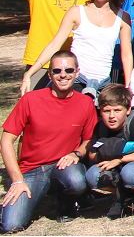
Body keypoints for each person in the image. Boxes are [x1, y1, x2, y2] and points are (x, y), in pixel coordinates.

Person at [0, 52, 94, 232]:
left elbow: (89, 140)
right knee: (11, 225)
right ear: (49, 74)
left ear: (77, 73)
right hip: (32, 169)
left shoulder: (85, 102)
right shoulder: (30, 99)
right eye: (57, 70)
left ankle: (65, 201)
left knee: (77, 181)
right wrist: (17, 179)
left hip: (63, 166)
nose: (63, 74)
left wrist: (76, 153)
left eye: (69, 70)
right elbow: (6, 140)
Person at [22, 0, 134, 95]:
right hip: (75, 81)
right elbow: (54, 46)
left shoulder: (123, 17)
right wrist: (29, 74)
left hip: (103, 84)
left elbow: (126, 55)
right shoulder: (76, 12)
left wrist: (128, 86)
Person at [86, 85, 134, 219]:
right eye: (106, 111)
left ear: (127, 109)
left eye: (117, 110)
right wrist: (109, 154)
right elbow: (92, 154)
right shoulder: (101, 127)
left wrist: (121, 158)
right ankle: (125, 195)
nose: (111, 116)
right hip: (120, 167)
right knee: (93, 174)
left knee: (130, 172)